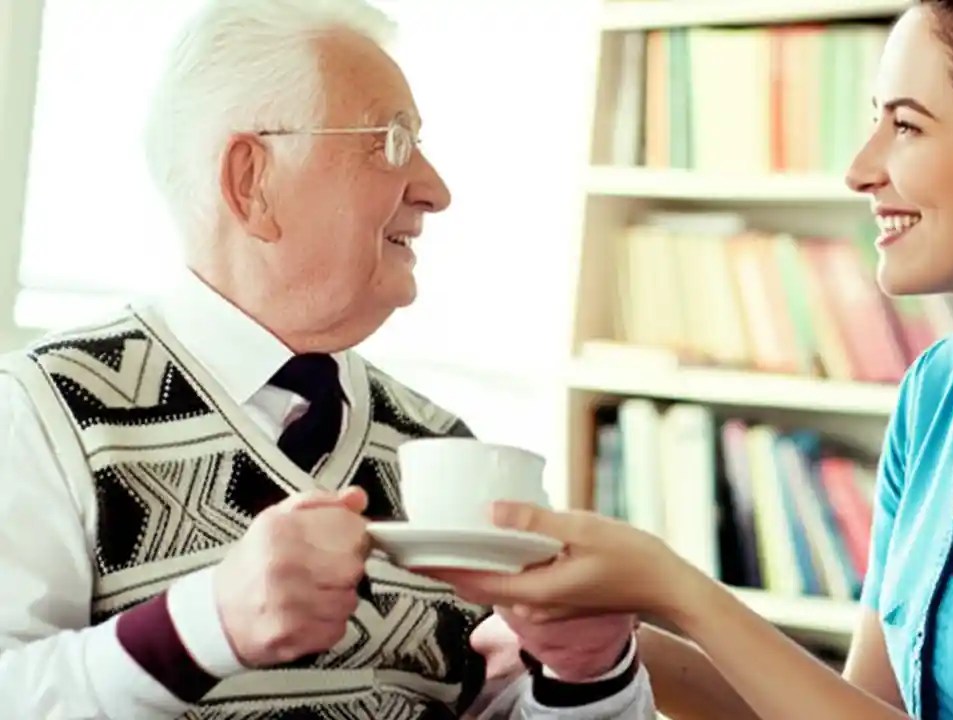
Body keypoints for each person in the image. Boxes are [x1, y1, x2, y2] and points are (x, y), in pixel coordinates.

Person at [434, 1, 953, 719]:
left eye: (905, 124)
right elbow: (864, 707)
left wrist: (676, 587)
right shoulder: (940, 388)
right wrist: (616, 632)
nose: (859, 169)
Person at [0, 0, 654, 718]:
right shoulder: (39, 412)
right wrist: (201, 627)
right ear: (251, 180)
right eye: (393, 140)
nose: (436, 189)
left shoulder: (439, 448)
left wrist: (588, 675)